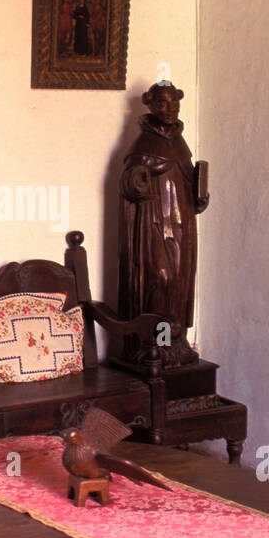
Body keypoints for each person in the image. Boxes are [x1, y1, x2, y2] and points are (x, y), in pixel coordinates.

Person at [117, 82, 208, 367]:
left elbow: (187, 183)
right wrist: (137, 181)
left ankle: (172, 343)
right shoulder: (143, 144)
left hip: (182, 228)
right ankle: (154, 343)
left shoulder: (179, 142)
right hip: (153, 226)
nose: (169, 110)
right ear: (150, 105)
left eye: (173, 103)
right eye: (161, 104)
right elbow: (129, 184)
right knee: (160, 278)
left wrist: (199, 199)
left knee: (179, 282)